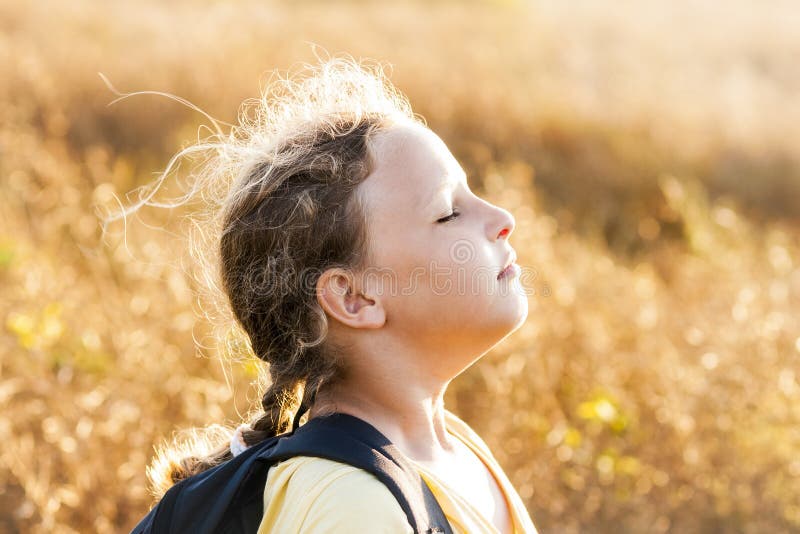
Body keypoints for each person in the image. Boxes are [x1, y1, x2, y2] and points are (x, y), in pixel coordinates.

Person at [122, 53, 538, 533]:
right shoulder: (355, 507)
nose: (503, 218)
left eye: (472, 193)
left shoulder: (456, 449)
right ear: (354, 299)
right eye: (448, 212)